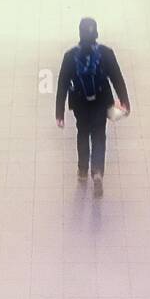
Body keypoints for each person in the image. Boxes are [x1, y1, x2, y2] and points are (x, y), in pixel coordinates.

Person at [56, 17, 130, 198]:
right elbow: (117, 78)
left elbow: (62, 84)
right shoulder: (106, 53)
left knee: (82, 133)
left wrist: (59, 113)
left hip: (80, 103)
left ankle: (82, 170)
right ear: (96, 33)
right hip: (101, 101)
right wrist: (124, 100)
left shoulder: (70, 56)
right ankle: (97, 171)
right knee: (99, 135)